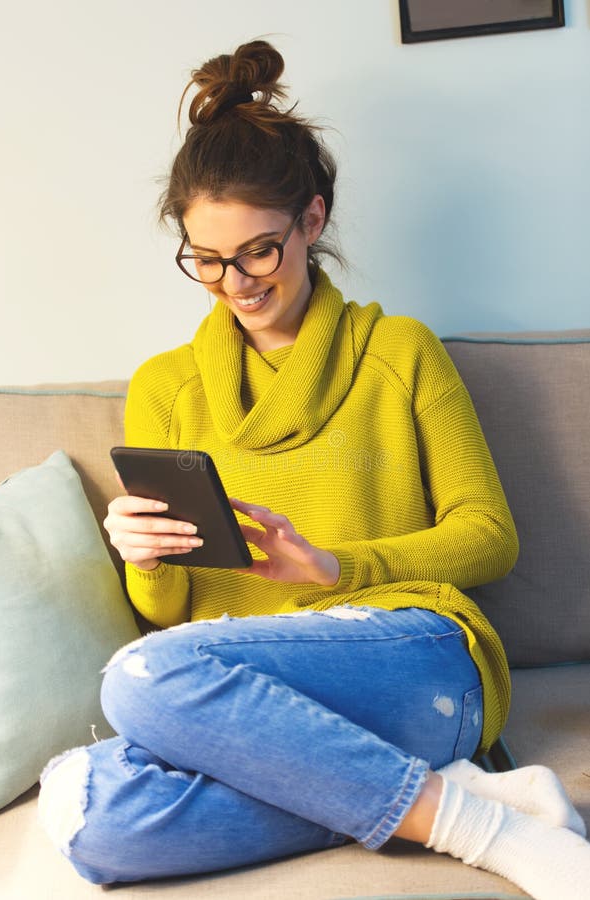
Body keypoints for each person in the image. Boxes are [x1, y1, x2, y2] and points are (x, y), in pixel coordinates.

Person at [37, 39, 590, 899]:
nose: (235, 283)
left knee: (141, 680)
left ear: (313, 220)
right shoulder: (165, 388)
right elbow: (166, 611)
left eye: (258, 251)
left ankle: (480, 831)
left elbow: (489, 538)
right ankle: (470, 797)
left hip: (415, 657)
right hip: (257, 705)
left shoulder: (398, 352)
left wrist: (338, 569)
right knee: (95, 824)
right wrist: (144, 558)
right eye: (206, 259)